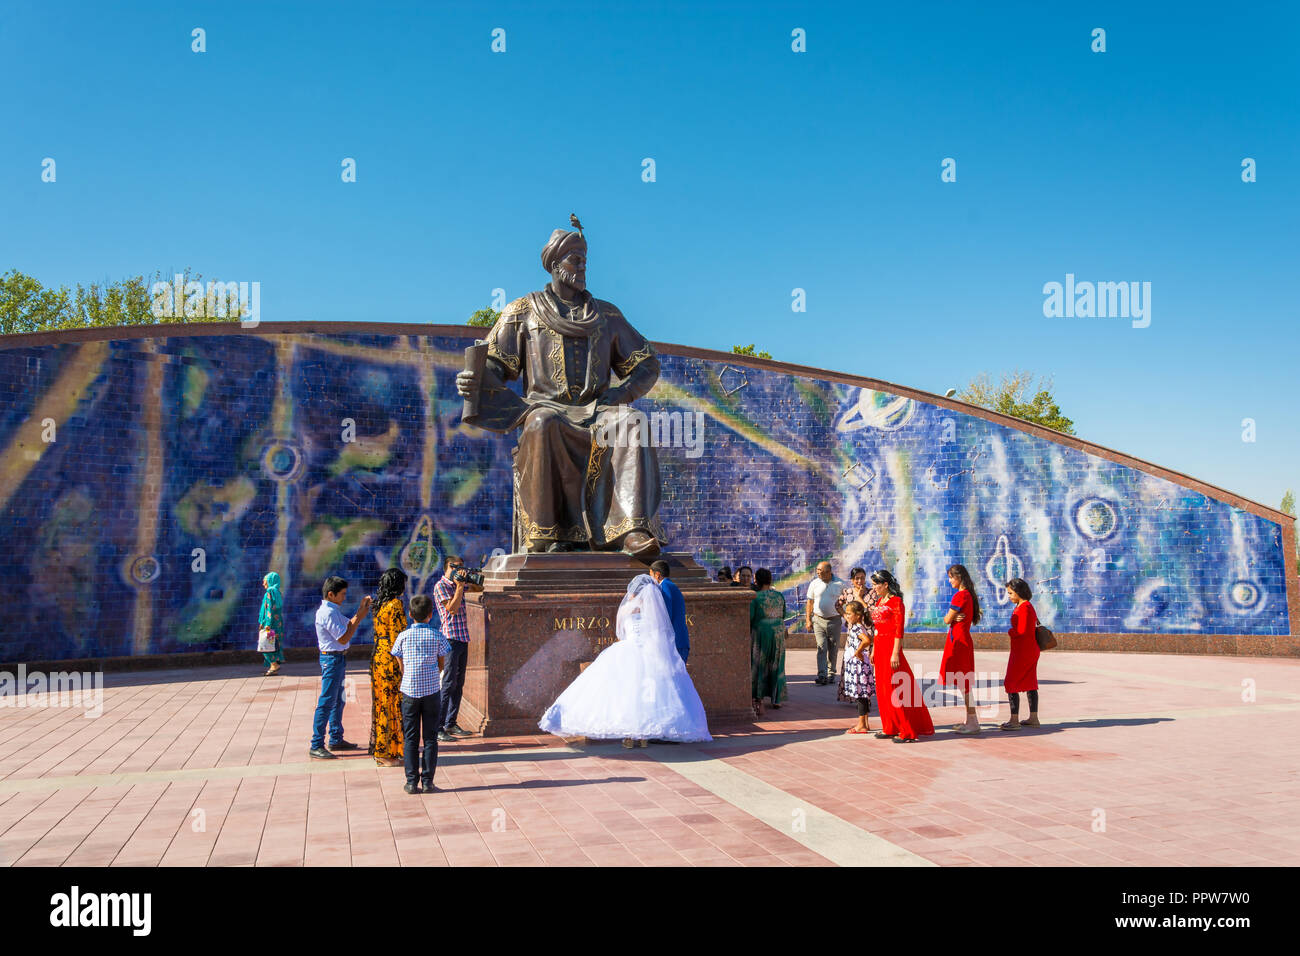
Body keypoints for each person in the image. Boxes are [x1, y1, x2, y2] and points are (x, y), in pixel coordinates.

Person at [455, 219, 665, 557]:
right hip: (549, 413)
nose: (582, 266)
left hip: (598, 414)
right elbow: (494, 364)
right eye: (575, 259)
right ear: (555, 264)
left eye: (584, 259)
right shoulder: (523, 311)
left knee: (631, 421)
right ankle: (546, 534)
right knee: (541, 423)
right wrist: (473, 379)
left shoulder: (607, 315)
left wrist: (620, 395)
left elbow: (647, 364)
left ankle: (631, 531)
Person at [539, 574, 711, 746]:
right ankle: (646, 734)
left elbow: (620, 633)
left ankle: (630, 733)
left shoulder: (624, 610)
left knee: (627, 691)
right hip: (649, 651)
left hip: (626, 651)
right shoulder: (651, 609)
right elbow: (659, 633)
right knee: (652, 692)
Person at [390, 595, 451, 794]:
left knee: (410, 738)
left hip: (409, 691)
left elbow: (399, 661)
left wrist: (408, 675)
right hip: (432, 691)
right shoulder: (437, 635)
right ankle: (427, 781)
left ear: (410, 614)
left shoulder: (403, 636)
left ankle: (410, 781)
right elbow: (442, 662)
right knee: (431, 738)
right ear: (430, 615)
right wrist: (434, 672)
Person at [867, 569, 934, 743]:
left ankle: (907, 731)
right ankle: (890, 726)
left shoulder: (897, 602)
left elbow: (899, 630)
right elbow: (877, 628)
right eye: (873, 585)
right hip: (880, 648)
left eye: (876, 585)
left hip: (891, 648)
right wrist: (874, 649)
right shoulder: (881, 600)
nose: (873, 588)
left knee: (895, 689)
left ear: (886, 585)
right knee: (882, 689)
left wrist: (896, 652)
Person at [309, 576, 371, 760]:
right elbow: (343, 637)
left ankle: (335, 737)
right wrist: (359, 617)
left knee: (338, 700)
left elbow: (347, 625)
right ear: (331, 594)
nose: (344, 597)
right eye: (342, 594)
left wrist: (360, 611)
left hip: (337, 659)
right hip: (332, 660)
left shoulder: (333, 610)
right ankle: (316, 743)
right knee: (327, 701)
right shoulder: (327, 613)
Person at [434, 555, 482, 742]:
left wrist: (471, 577)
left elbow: (479, 587)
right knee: (447, 684)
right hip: (450, 639)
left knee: (458, 683)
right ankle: (438, 727)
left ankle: (450, 722)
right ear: (450, 567)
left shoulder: (458, 584)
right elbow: (452, 609)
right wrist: (460, 586)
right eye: (459, 568)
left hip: (463, 637)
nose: (461, 571)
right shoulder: (441, 586)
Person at [369, 568, 408, 767]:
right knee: (392, 702)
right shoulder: (395, 605)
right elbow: (398, 640)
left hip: (379, 656)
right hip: (390, 659)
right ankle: (386, 752)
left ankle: (386, 750)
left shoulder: (380, 605)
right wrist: (404, 667)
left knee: (382, 702)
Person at [941, 564, 982, 734]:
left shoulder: (960, 596)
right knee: (963, 682)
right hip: (961, 640)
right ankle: (970, 719)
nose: (949, 580)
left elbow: (946, 619)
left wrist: (951, 618)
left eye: (951, 577)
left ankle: (973, 721)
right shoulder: (967, 595)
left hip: (958, 642)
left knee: (963, 682)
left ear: (959, 577)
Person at [1001, 578, 1041, 731]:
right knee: (1030, 683)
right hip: (1030, 650)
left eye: (1011, 593)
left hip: (1022, 652)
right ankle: (1033, 717)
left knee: (1011, 683)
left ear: (1018, 592)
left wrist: (1011, 632)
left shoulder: (1024, 608)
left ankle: (1014, 720)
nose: (1009, 596)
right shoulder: (1027, 606)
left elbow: (1022, 631)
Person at [749, 568, 787, 715]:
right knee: (778, 663)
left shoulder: (755, 598)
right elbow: (783, 614)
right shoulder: (779, 596)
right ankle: (777, 699)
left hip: (761, 633)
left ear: (756, 580)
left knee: (760, 663)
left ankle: (758, 695)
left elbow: (751, 618)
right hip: (778, 632)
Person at [805, 561, 848, 685]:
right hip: (818, 620)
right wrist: (808, 619)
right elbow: (810, 602)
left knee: (833, 648)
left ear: (829, 572)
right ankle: (822, 675)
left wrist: (846, 617)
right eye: (817, 571)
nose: (818, 573)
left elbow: (847, 601)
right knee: (821, 647)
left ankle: (831, 673)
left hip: (835, 620)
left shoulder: (840, 584)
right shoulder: (814, 583)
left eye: (821, 572)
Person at [834, 567, 872, 697]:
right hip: (853, 633)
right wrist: (845, 616)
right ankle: (853, 694)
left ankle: (866, 694)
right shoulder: (847, 592)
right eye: (857, 578)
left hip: (867, 631)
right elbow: (837, 605)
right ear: (852, 580)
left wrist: (859, 597)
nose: (860, 581)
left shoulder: (871, 593)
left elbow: (871, 613)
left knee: (866, 662)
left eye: (862, 578)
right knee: (852, 661)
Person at [840, 600, 876, 734]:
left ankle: (861, 724)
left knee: (860, 694)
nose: (847, 615)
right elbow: (870, 638)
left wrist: (858, 651)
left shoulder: (856, 627)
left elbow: (867, 640)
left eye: (849, 613)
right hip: (861, 664)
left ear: (858, 615)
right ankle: (865, 723)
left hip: (858, 666)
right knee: (864, 694)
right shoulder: (859, 626)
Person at [649, 559, 689, 662]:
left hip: (675, 643)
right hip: (679, 640)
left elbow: (665, 615)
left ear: (657, 575)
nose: (650, 579)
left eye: (651, 575)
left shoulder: (665, 586)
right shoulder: (671, 585)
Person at [258, 571, 285, 676]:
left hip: (270, 625)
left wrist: (266, 624)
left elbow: (269, 609)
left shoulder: (270, 592)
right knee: (274, 645)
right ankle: (273, 666)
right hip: (278, 624)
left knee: (265, 646)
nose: (263, 583)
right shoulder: (278, 592)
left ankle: (274, 665)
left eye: (265, 581)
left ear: (270, 581)